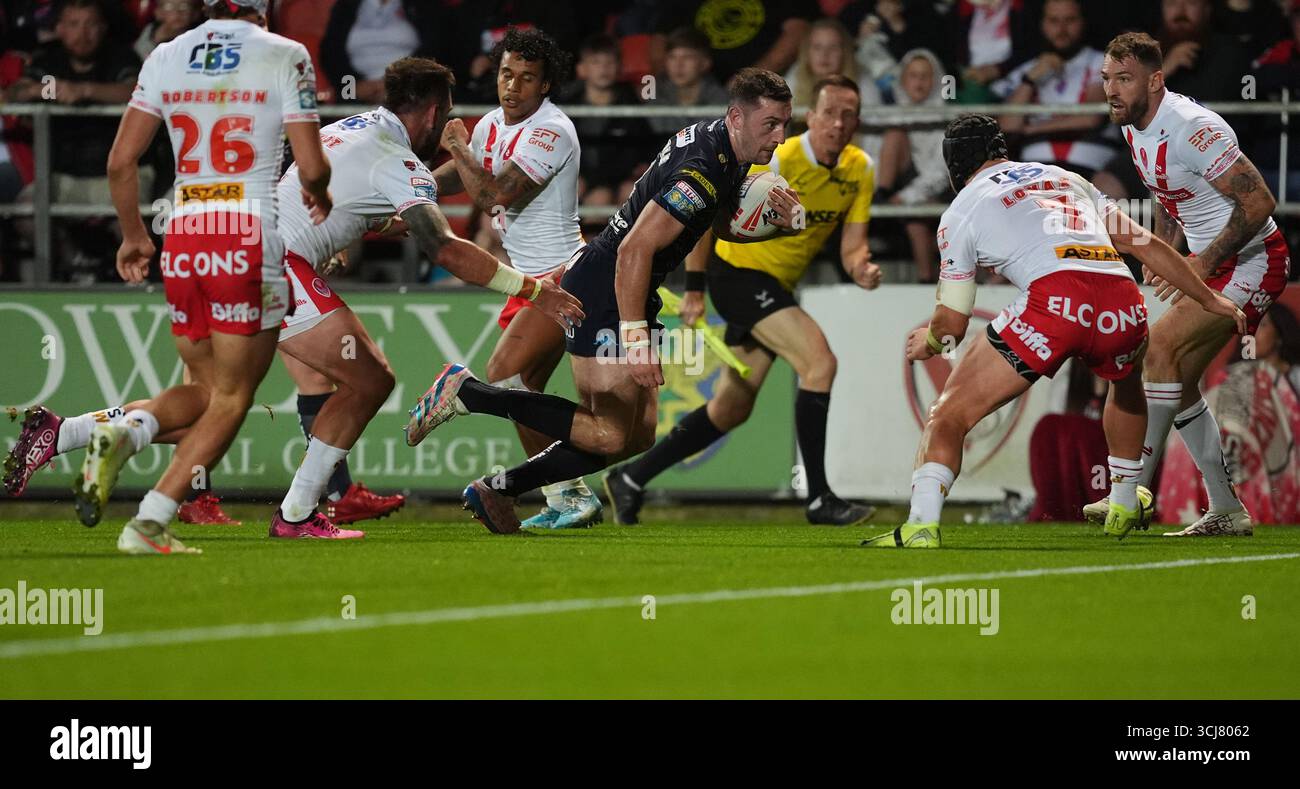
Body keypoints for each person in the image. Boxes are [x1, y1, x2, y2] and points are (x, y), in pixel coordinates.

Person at [404, 68, 802, 534]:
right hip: (607, 283)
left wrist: (778, 222)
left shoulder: (725, 149)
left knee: (638, 434)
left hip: (629, 282)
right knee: (607, 432)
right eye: (770, 124)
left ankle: (500, 487)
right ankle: (467, 393)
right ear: (737, 116)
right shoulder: (704, 167)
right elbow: (635, 248)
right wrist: (634, 336)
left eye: (784, 124)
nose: (779, 136)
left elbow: (709, 222)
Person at [862, 114, 1246, 549]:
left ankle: (920, 525)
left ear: (953, 168)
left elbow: (953, 321)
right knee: (1125, 381)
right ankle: (1122, 499)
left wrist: (930, 341)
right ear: (1000, 150)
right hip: (1122, 298)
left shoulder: (960, 210)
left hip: (1055, 302)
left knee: (948, 415)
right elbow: (1144, 244)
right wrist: (1209, 298)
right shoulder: (1065, 177)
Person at [75, 0, 333, 554]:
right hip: (246, 231)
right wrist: (320, 191)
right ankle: (150, 520)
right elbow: (311, 167)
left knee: (206, 390)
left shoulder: (166, 53)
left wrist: (134, 236)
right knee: (235, 396)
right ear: (263, 10)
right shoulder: (286, 54)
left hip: (184, 231)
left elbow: (121, 162)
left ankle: (129, 428)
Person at [604, 75, 882, 527]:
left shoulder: (860, 169)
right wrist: (694, 286)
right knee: (820, 363)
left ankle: (631, 479)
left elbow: (852, 247)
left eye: (849, 115)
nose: (839, 123)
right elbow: (706, 214)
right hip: (738, 275)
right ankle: (819, 499)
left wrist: (862, 268)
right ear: (813, 117)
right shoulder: (779, 157)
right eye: (830, 112)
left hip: (777, 288)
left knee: (732, 407)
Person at [1082, 32, 1291, 537]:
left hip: (1253, 261)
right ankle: (1226, 509)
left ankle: (1129, 493)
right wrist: (1166, 248)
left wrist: (1200, 264)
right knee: (1175, 384)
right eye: (1107, 78)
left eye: (1124, 79)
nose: (1112, 90)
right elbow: (1166, 193)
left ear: (1156, 80)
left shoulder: (1193, 129)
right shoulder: (1134, 123)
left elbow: (1260, 202)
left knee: (1157, 352)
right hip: (1209, 260)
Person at [433, 27, 602, 529]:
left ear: (545, 85)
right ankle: (566, 495)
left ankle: (567, 493)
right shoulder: (489, 125)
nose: (513, 86)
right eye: (507, 74)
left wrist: (458, 148)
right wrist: (406, 199)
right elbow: (450, 176)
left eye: (527, 79)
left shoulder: (553, 131)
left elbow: (492, 196)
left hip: (563, 275)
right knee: (523, 388)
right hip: (526, 278)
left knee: (505, 374)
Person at [993, 0, 1112, 181]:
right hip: (1034, 172)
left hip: (1089, 168)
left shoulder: (1102, 61)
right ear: (1042, 24)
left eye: (1070, 20)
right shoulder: (1028, 70)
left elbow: (1090, 118)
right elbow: (1008, 126)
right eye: (1054, 21)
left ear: (1083, 22)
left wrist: (1028, 130)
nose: (1062, 29)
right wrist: (1030, 81)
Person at [875, 48, 948, 282]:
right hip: (899, 185)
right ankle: (881, 193)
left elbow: (939, 175)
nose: (919, 82)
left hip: (937, 191)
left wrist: (905, 198)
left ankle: (926, 282)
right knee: (895, 132)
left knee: (917, 221)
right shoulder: (889, 115)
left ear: (936, 80)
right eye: (913, 75)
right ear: (903, 80)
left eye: (925, 76)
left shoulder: (947, 118)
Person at [646, 27, 730, 138]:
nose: (678, 65)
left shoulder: (722, 100)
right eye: (672, 57)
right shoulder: (655, 96)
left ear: (705, 63)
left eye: (688, 57)